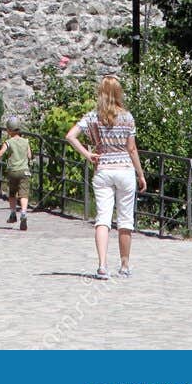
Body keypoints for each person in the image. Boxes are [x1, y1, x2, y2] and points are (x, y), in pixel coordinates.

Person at [65, 75, 146, 279]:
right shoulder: (128, 117)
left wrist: (87, 154)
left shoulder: (92, 117)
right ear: (118, 92)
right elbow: (132, 148)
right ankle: (125, 265)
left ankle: (102, 265)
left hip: (103, 168)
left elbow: (70, 136)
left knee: (103, 218)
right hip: (125, 169)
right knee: (125, 219)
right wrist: (140, 174)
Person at [0, 116, 32, 230]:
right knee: (24, 194)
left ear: (9, 130)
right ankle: (23, 213)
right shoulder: (26, 141)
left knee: (12, 193)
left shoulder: (8, 142)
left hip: (13, 171)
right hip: (24, 171)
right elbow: (29, 156)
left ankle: (13, 214)